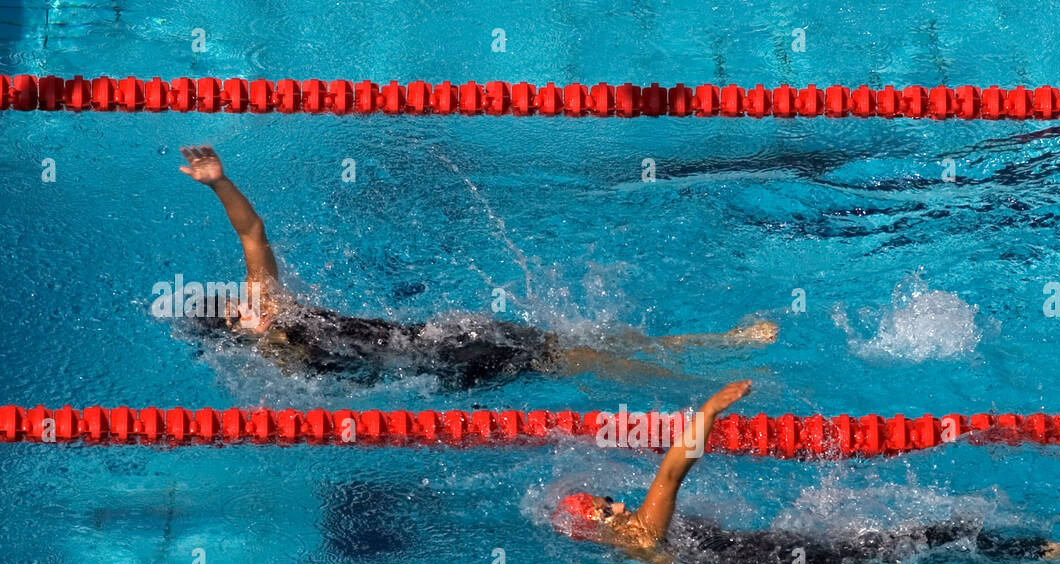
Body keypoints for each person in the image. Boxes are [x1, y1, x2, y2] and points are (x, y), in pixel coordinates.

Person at [175, 145, 777, 388]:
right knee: (569, 357)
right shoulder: (279, 356)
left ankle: (716, 346)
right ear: (234, 330)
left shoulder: (274, 318)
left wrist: (219, 182)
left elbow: (252, 234)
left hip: (444, 338)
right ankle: (700, 386)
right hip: (445, 360)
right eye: (236, 308)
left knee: (573, 343)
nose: (246, 301)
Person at [552, 380, 1060, 564]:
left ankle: (1059, 555)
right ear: (600, 525)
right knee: (947, 538)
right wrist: (712, 406)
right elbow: (675, 467)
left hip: (807, 563)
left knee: (940, 544)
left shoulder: (650, 548)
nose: (618, 501)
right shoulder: (645, 535)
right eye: (606, 504)